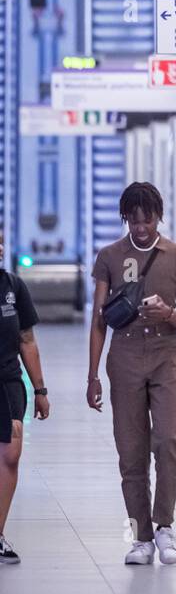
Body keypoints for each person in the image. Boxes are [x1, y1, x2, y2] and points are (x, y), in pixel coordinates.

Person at [87, 181, 176, 565]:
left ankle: (164, 525)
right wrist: (93, 375)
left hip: (167, 354)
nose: (140, 228)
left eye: (146, 220)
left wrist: (168, 314)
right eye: (132, 221)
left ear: (158, 217)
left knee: (168, 439)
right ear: (125, 219)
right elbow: (99, 320)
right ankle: (141, 537)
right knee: (131, 452)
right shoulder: (109, 257)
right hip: (125, 356)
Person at [0, 229, 50, 563]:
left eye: (0, 241)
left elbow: (27, 340)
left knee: (10, 454)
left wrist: (41, 389)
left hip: (8, 382)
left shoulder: (13, 287)